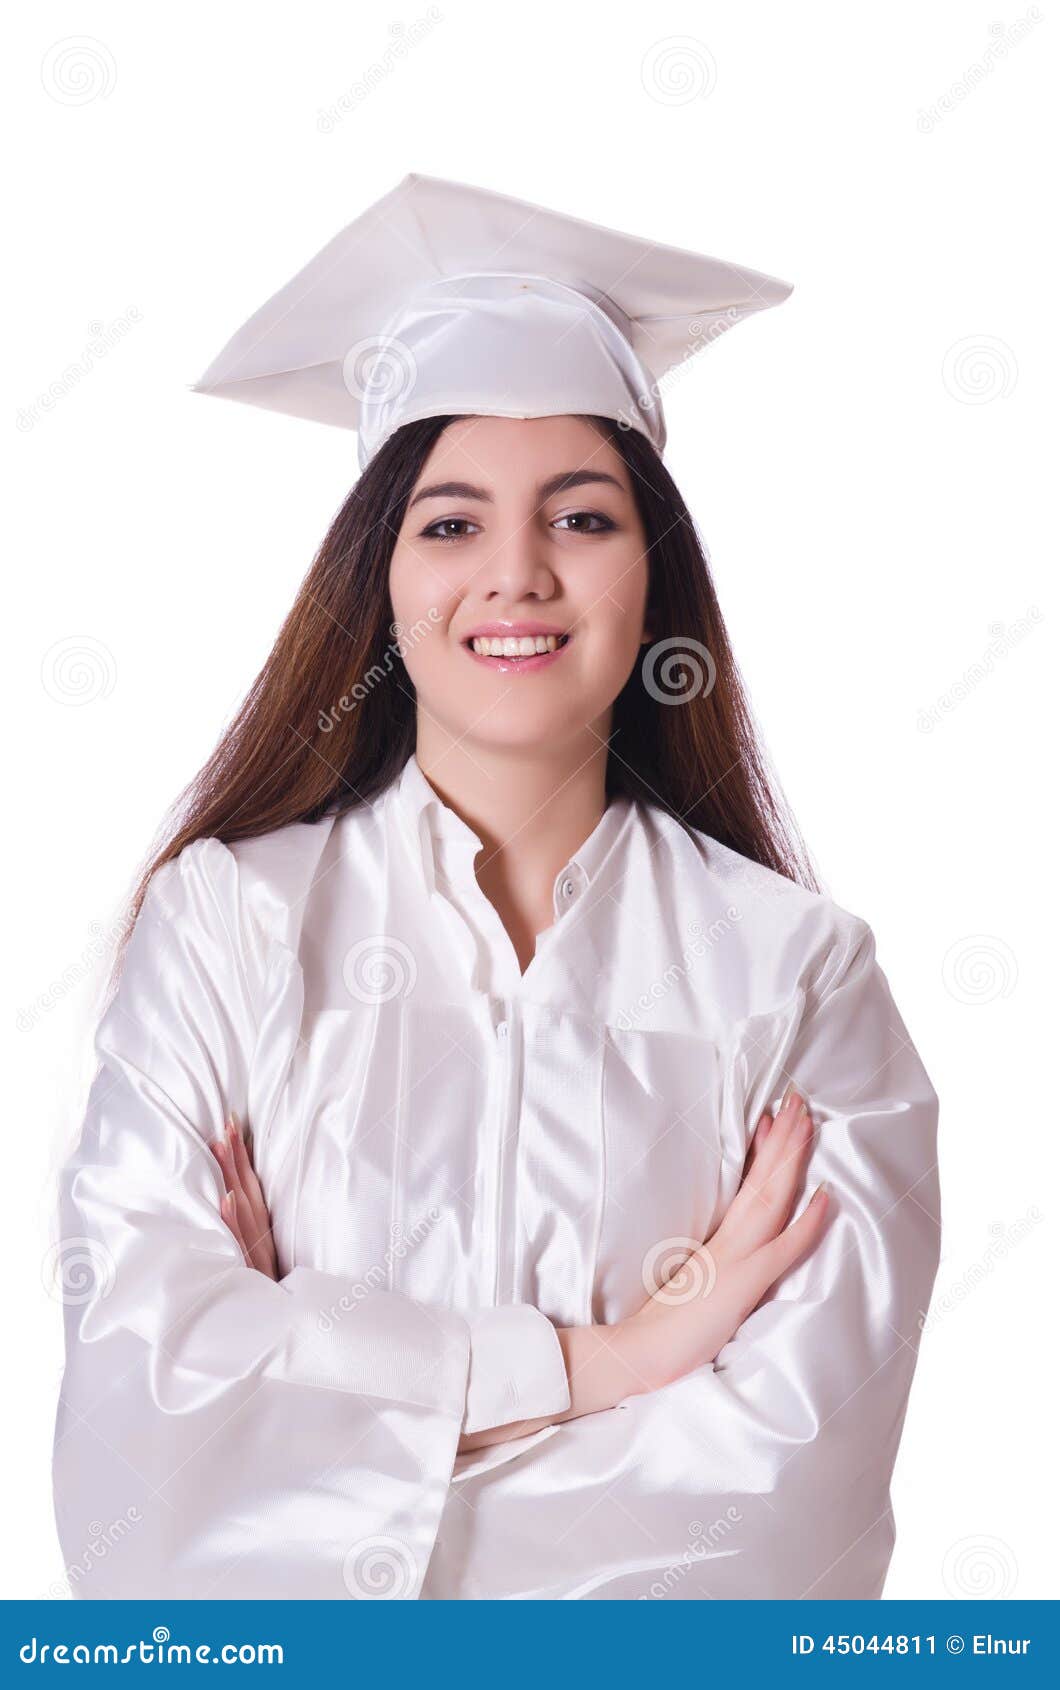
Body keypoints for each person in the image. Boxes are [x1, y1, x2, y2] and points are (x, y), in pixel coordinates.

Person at [51, 175, 940, 1600]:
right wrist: (618, 1362)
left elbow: (782, 1526)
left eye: (582, 519)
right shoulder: (227, 925)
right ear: (381, 584)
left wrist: (327, 1385)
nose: (516, 574)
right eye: (451, 524)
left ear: (654, 573)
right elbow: (141, 1462)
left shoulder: (797, 977)